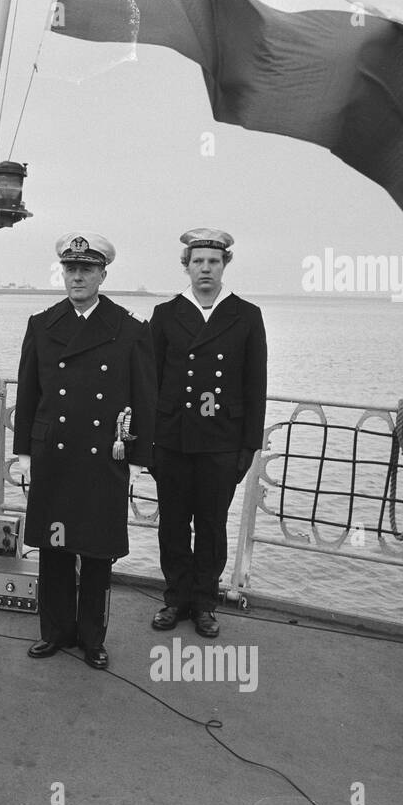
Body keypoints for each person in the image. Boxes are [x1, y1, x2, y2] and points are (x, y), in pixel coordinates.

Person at [13, 233, 157, 669]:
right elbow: (29, 391)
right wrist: (24, 452)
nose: (77, 276)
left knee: (96, 550)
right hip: (53, 454)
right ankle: (55, 632)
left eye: (87, 269)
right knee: (55, 547)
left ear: (103, 274)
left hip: (103, 455)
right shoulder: (42, 324)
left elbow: (145, 397)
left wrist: (138, 459)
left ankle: (93, 637)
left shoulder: (130, 329)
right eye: (71, 269)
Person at [149, 229, 267, 638]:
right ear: (186, 265)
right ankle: (175, 598)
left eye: (213, 261)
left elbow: (255, 385)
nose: (205, 268)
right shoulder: (166, 314)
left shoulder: (246, 314)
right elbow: (151, 381)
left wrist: (249, 444)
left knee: (212, 525)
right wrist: (148, 440)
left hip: (222, 441)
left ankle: (204, 603)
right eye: (197, 261)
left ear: (224, 265)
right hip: (172, 439)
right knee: (174, 524)